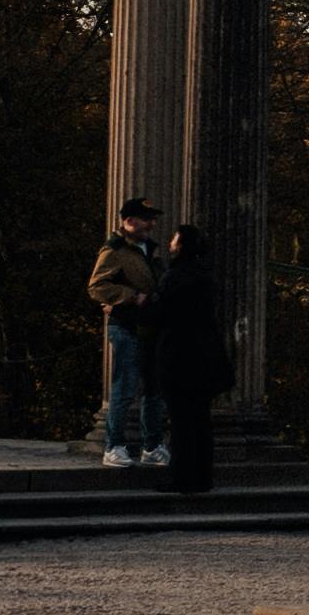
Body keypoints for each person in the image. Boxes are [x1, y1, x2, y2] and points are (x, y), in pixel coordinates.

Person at [147, 222, 229, 499]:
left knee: (181, 419)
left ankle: (181, 477)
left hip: (178, 355)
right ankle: (202, 476)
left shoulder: (174, 276)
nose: (170, 243)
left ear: (181, 246)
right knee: (200, 419)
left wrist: (141, 303)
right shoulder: (206, 275)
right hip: (204, 356)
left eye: (174, 239)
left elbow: (160, 313)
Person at [86, 198, 165, 467]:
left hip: (149, 325)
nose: (151, 224)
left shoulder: (149, 249)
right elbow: (97, 287)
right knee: (125, 387)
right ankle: (113, 446)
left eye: (152, 219)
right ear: (129, 221)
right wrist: (130, 297)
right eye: (146, 219)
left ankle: (152, 446)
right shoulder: (115, 250)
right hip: (127, 326)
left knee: (153, 389)